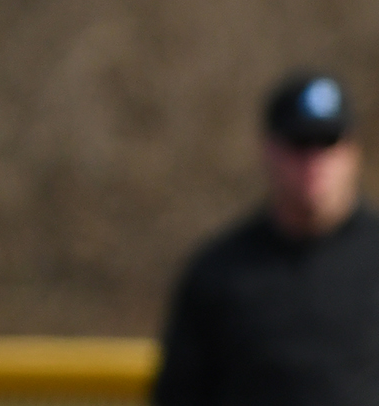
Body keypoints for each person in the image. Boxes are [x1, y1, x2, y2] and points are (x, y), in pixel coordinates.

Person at [152, 71, 379, 405]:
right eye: (300, 143)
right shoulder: (220, 273)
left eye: (327, 142)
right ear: (269, 149)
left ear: (352, 151)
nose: (314, 161)